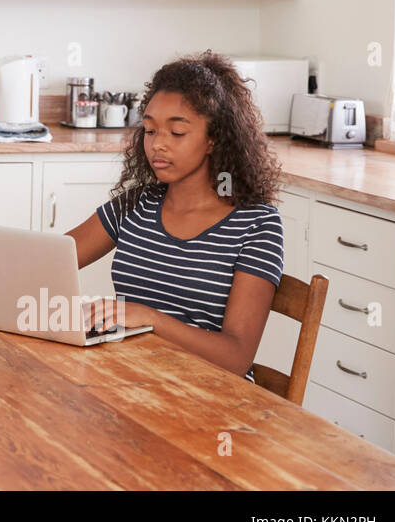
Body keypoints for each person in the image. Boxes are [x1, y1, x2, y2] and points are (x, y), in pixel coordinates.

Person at [67, 51, 284, 381]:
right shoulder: (136, 205)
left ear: (215, 138)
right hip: (133, 381)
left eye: (177, 133)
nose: (157, 146)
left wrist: (151, 318)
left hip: (212, 400)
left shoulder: (257, 225)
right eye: (151, 131)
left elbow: (236, 358)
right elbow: (53, 258)